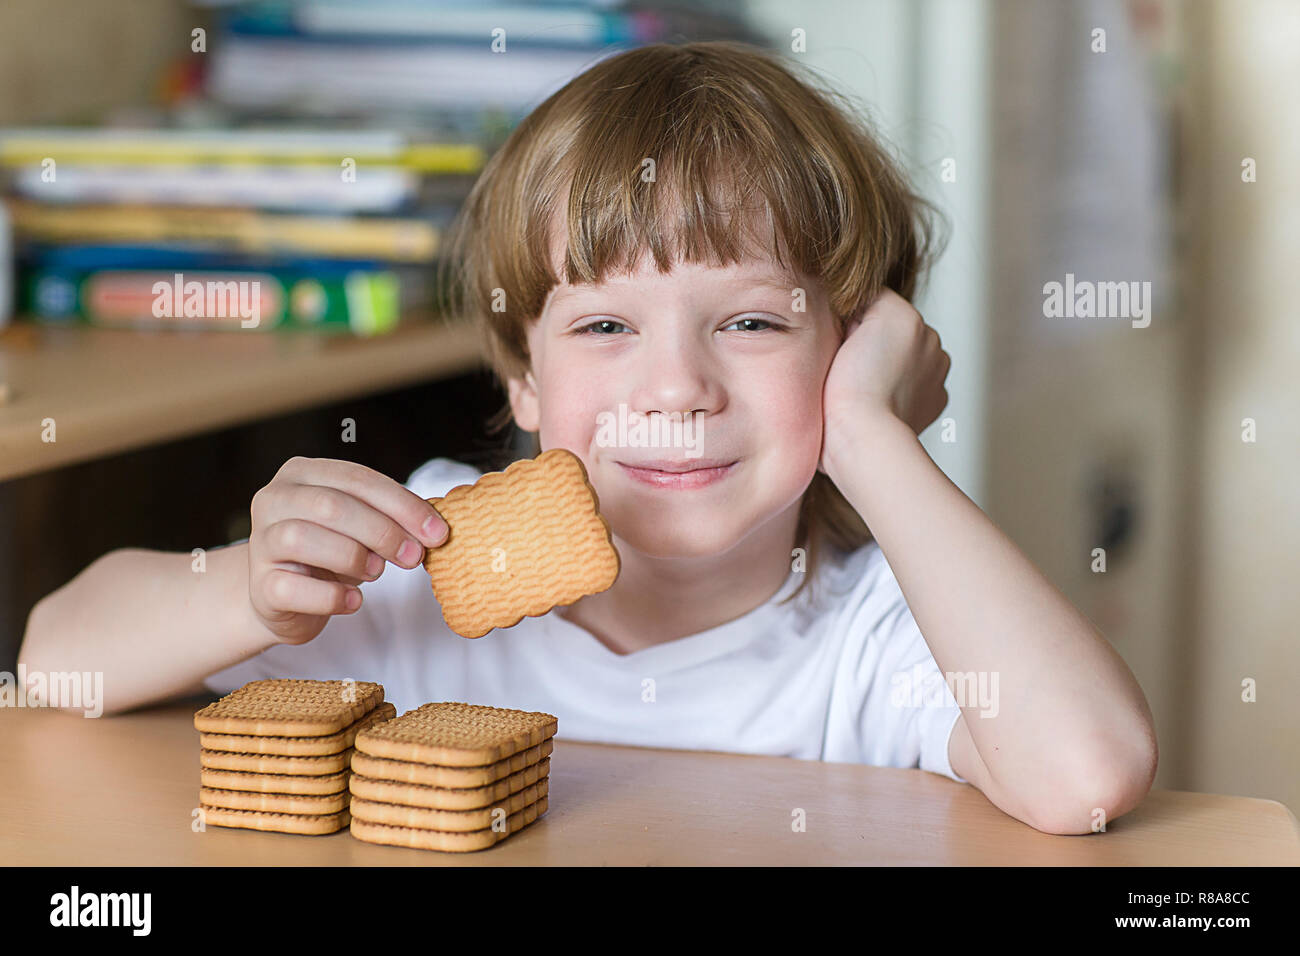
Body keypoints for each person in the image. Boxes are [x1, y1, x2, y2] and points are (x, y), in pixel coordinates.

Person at [19, 41, 1157, 835]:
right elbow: (57, 656)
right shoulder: (412, 569)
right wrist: (252, 593)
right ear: (522, 372)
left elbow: (1087, 776)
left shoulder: (879, 636)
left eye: (752, 320)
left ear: (858, 352)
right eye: (605, 323)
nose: (676, 381)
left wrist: (871, 437)